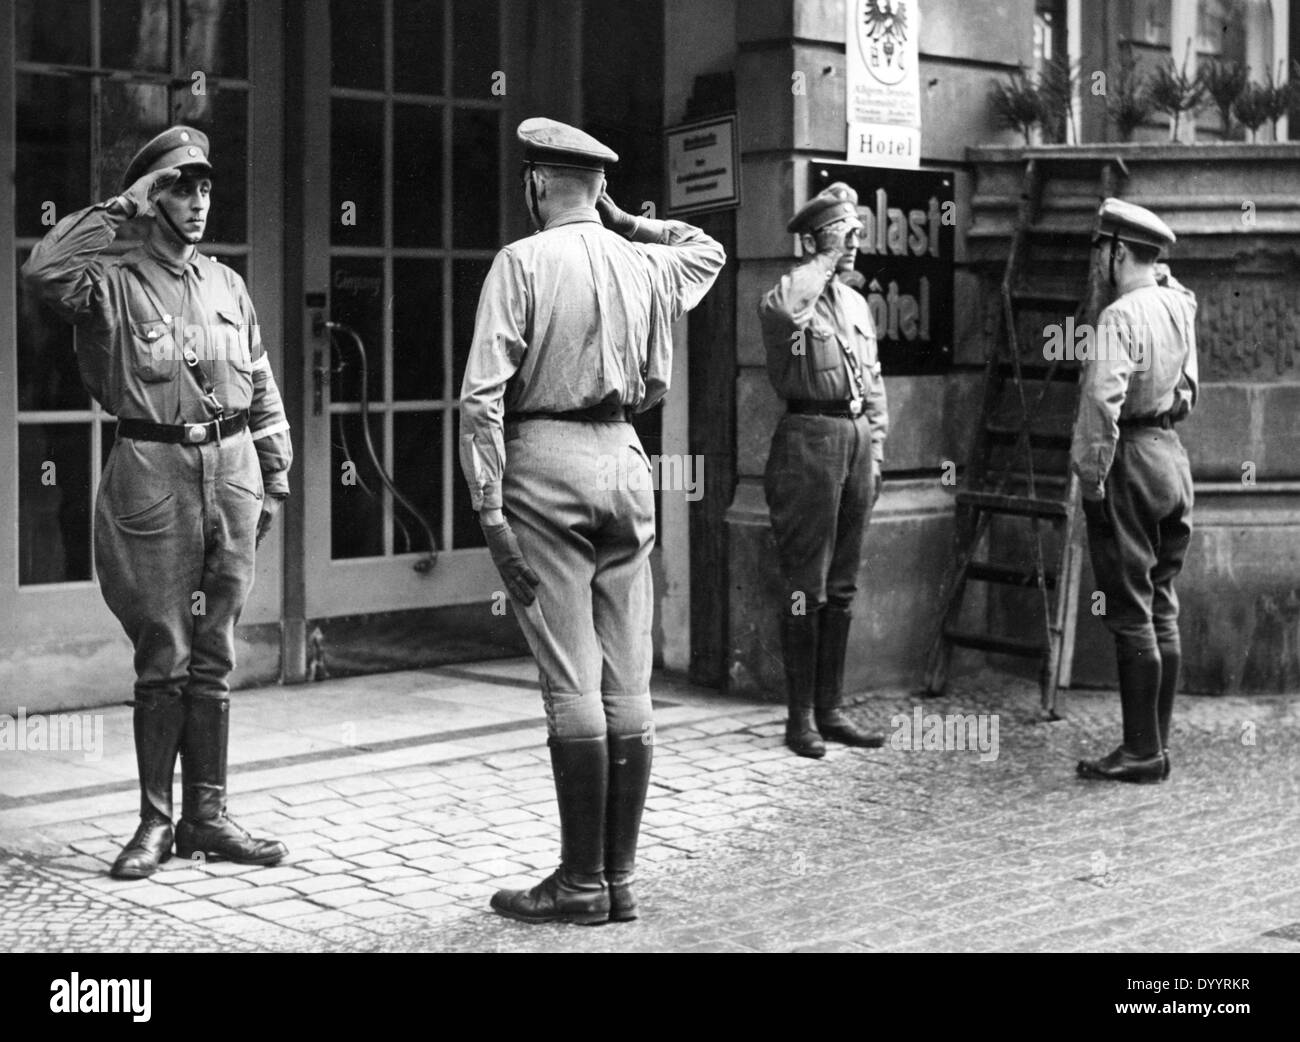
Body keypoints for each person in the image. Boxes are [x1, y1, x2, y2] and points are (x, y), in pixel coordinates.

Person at [459, 117, 725, 924]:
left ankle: (580, 883)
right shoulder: (645, 262)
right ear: (599, 187)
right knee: (627, 676)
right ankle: (619, 879)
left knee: (572, 678)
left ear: (537, 183)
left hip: (546, 463)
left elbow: (482, 400)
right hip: (625, 463)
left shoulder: (521, 262)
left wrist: (490, 510)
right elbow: (705, 247)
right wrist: (629, 222)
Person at [23, 126, 293, 877]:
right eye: (180, 186)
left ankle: (209, 815)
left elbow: (261, 380)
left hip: (231, 468)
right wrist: (120, 206)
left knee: (215, 650)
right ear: (152, 194)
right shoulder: (109, 280)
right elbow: (42, 272)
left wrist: (275, 473)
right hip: (153, 468)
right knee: (164, 652)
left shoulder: (227, 285)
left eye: (205, 187)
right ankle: (155, 822)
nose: (199, 201)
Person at [758, 183, 890, 759]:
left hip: (856, 438)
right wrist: (824, 257)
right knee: (803, 585)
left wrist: (878, 451)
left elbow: (875, 383)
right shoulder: (789, 299)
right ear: (814, 241)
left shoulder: (857, 305)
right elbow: (787, 310)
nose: (856, 242)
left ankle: (832, 709)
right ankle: (800, 719)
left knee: (842, 583)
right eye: (845, 233)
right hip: (809, 439)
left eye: (858, 232)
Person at [1072, 198, 1198, 784]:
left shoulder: (1119, 317)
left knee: (1129, 612)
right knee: (1162, 603)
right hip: (1172, 460)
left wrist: (1092, 476)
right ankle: (1156, 742)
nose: (1098, 262)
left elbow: (1102, 403)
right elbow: (1190, 391)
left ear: (1118, 251)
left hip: (1128, 462)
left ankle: (1141, 751)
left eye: (1103, 251)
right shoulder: (1180, 305)